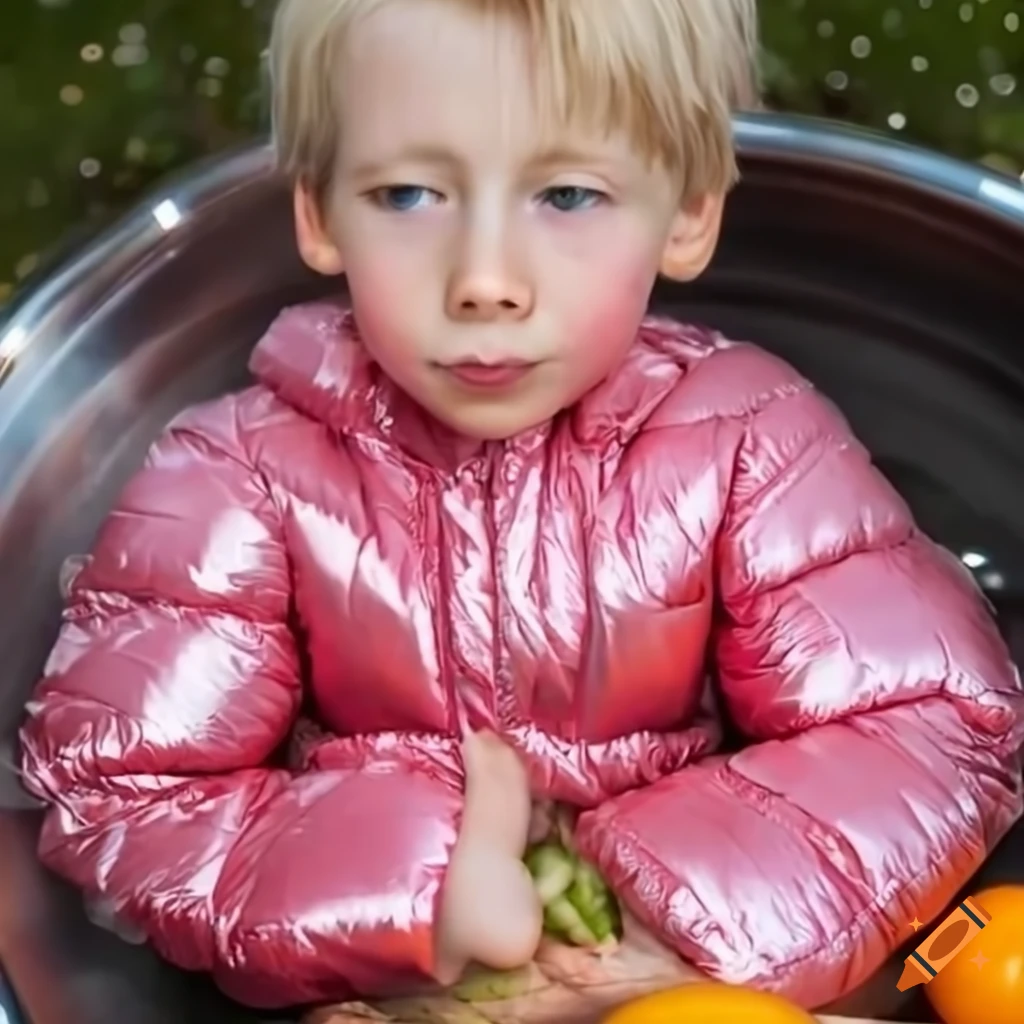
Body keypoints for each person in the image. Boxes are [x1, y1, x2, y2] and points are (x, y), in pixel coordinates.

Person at [19, 0, 1023, 1014]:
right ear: (319, 211)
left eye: (569, 195)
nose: (485, 280)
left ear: (685, 213)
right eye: (409, 193)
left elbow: (940, 724)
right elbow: (120, 794)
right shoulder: (237, 473)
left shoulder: (747, 435)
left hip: (691, 972)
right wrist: (419, 890)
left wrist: (668, 917)